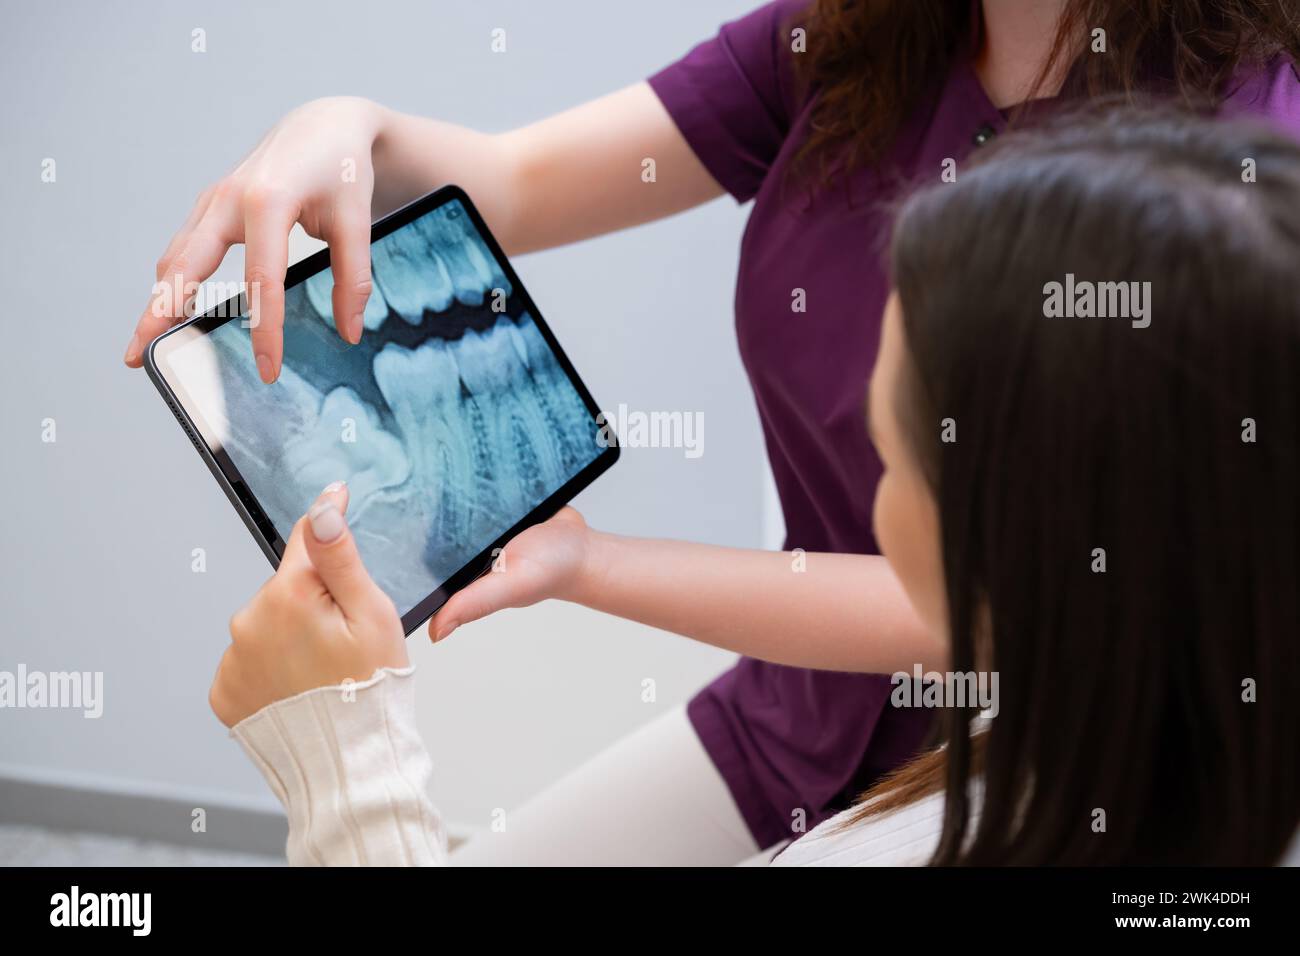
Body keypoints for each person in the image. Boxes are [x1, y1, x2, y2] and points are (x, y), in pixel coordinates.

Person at [127, 1, 1300, 863]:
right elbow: (520, 179)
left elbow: (1005, 598)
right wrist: (349, 124)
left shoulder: (1221, 171)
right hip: (791, 719)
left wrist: (340, 746)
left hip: (1030, 746)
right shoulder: (857, 33)